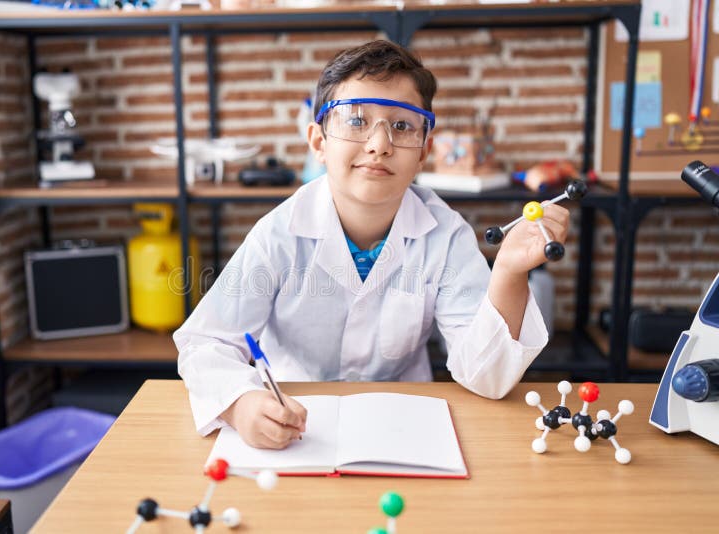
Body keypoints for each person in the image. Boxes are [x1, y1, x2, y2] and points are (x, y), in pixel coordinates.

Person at [174, 40, 568, 450]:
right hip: (294, 426)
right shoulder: (279, 234)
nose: (380, 144)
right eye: (357, 121)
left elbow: (488, 378)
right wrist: (240, 404)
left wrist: (509, 271)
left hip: (404, 428)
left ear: (424, 151)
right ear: (319, 142)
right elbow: (206, 342)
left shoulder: (446, 235)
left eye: (401, 126)